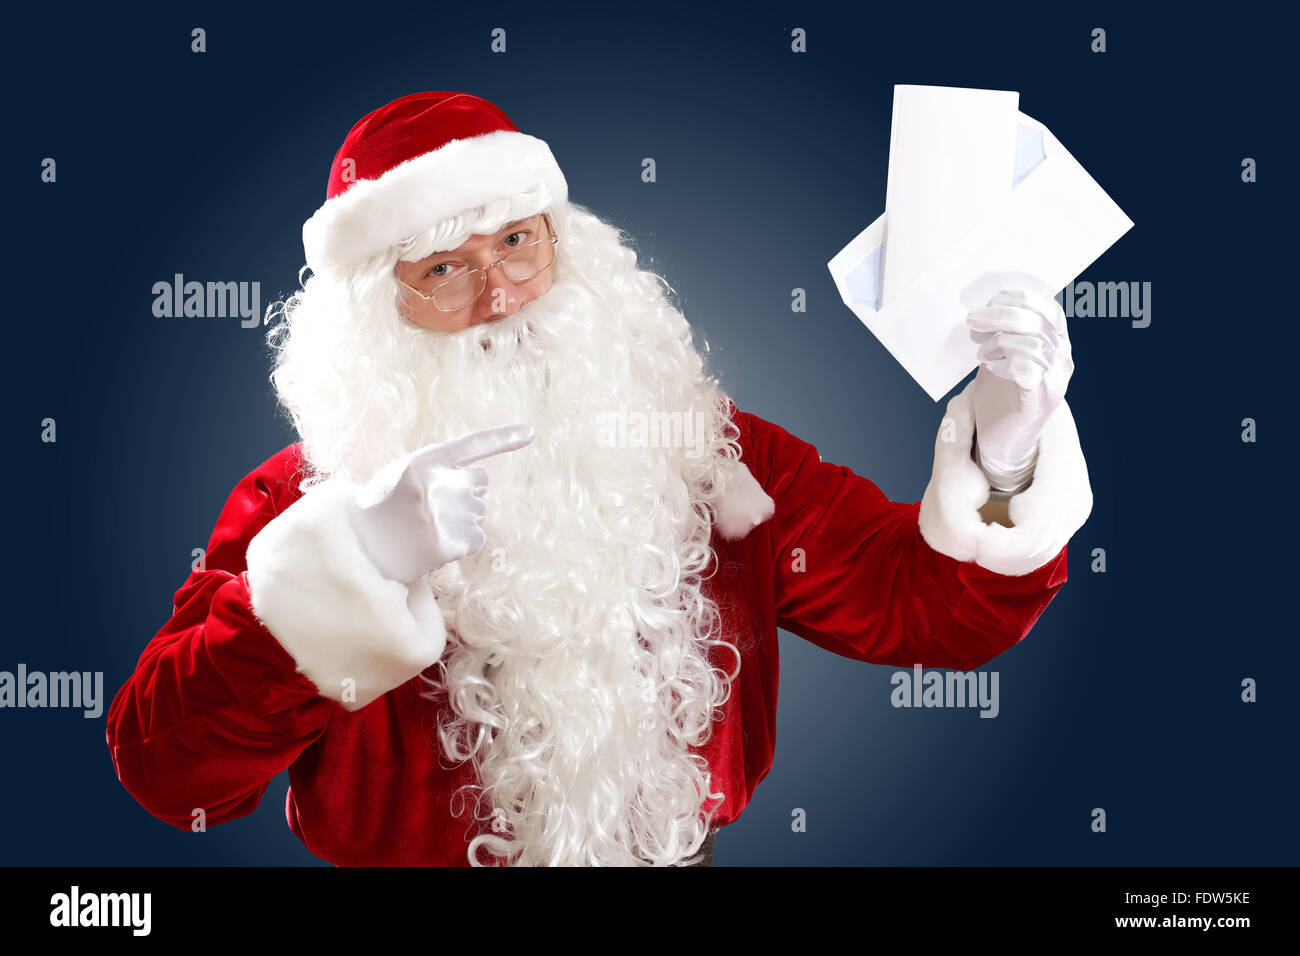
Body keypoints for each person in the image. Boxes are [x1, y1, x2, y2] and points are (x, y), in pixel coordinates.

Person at [105, 91, 1093, 867]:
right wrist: (353, 568)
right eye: (443, 268)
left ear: (564, 244)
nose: (498, 294)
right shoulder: (299, 502)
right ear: (376, 314)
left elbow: (925, 610)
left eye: (517, 243)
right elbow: (167, 771)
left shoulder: (709, 454)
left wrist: (1004, 451)